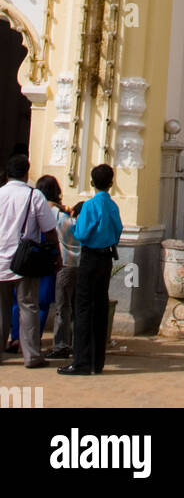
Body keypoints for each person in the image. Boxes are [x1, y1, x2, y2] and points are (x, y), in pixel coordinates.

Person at [57, 163, 123, 377]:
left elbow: (82, 233)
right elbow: (118, 230)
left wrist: (75, 225)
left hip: (91, 257)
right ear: (111, 183)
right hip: (106, 258)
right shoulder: (113, 206)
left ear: (92, 183)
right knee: (100, 307)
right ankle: (97, 361)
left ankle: (81, 361)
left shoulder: (89, 206)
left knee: (83, 308)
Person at [0, 153, 60, 369]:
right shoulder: (34, 196)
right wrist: (56, 255)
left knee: (2, 308)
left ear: (8, 174)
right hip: (25, 261)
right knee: (28, 307)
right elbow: (50, 230)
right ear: (26, 174)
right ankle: (32, 355)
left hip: (0, 260)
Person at [44, 185, 81, 360]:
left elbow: (51, 209)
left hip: (65, 267)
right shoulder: (81, 227)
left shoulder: (61, 220)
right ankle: (76, 343)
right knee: (76, 307)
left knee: (62, 308)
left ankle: (61, 345)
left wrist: (60, 206)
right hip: (80, 267)